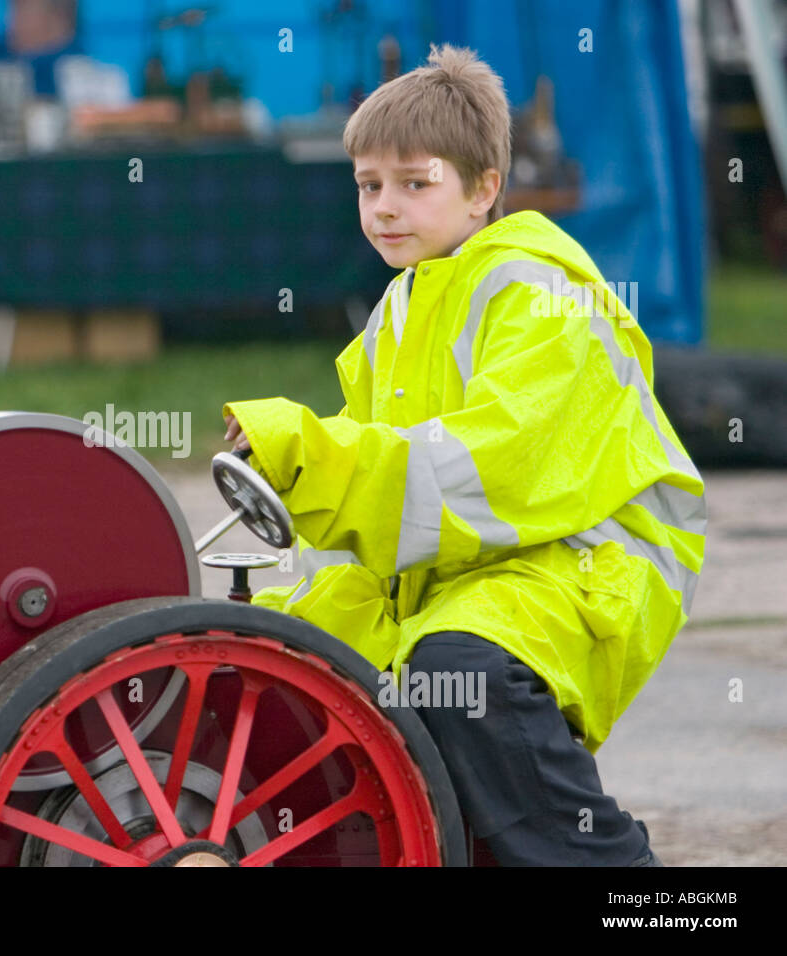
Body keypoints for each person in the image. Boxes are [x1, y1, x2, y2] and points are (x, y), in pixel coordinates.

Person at [221, 44, 705, 866]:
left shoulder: (538, 295)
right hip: (479, 561)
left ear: (483, 189)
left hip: (583, 562)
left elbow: (486, 468)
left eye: (416, 183)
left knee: (458, 671)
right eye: (369, 186)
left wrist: (308, 453)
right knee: (282, 653)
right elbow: (381, 507)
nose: (385, 207)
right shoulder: (397, 314)